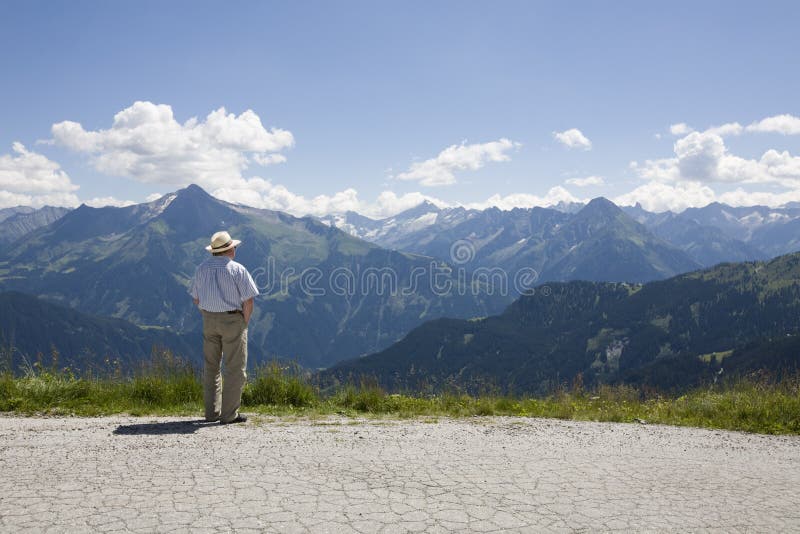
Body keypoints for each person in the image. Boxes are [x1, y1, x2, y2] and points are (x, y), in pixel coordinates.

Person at [189, 230, 259, 424]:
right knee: (235, 368)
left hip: (208, 320)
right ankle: (229, 415)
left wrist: (208, 312)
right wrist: (244, 322)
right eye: (234, 247)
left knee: (211, 367)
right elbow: (249, 301)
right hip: (232, 320)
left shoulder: (201, 269)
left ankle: (212, 413)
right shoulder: (237, 269)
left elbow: (196, 299)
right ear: (230, 250)